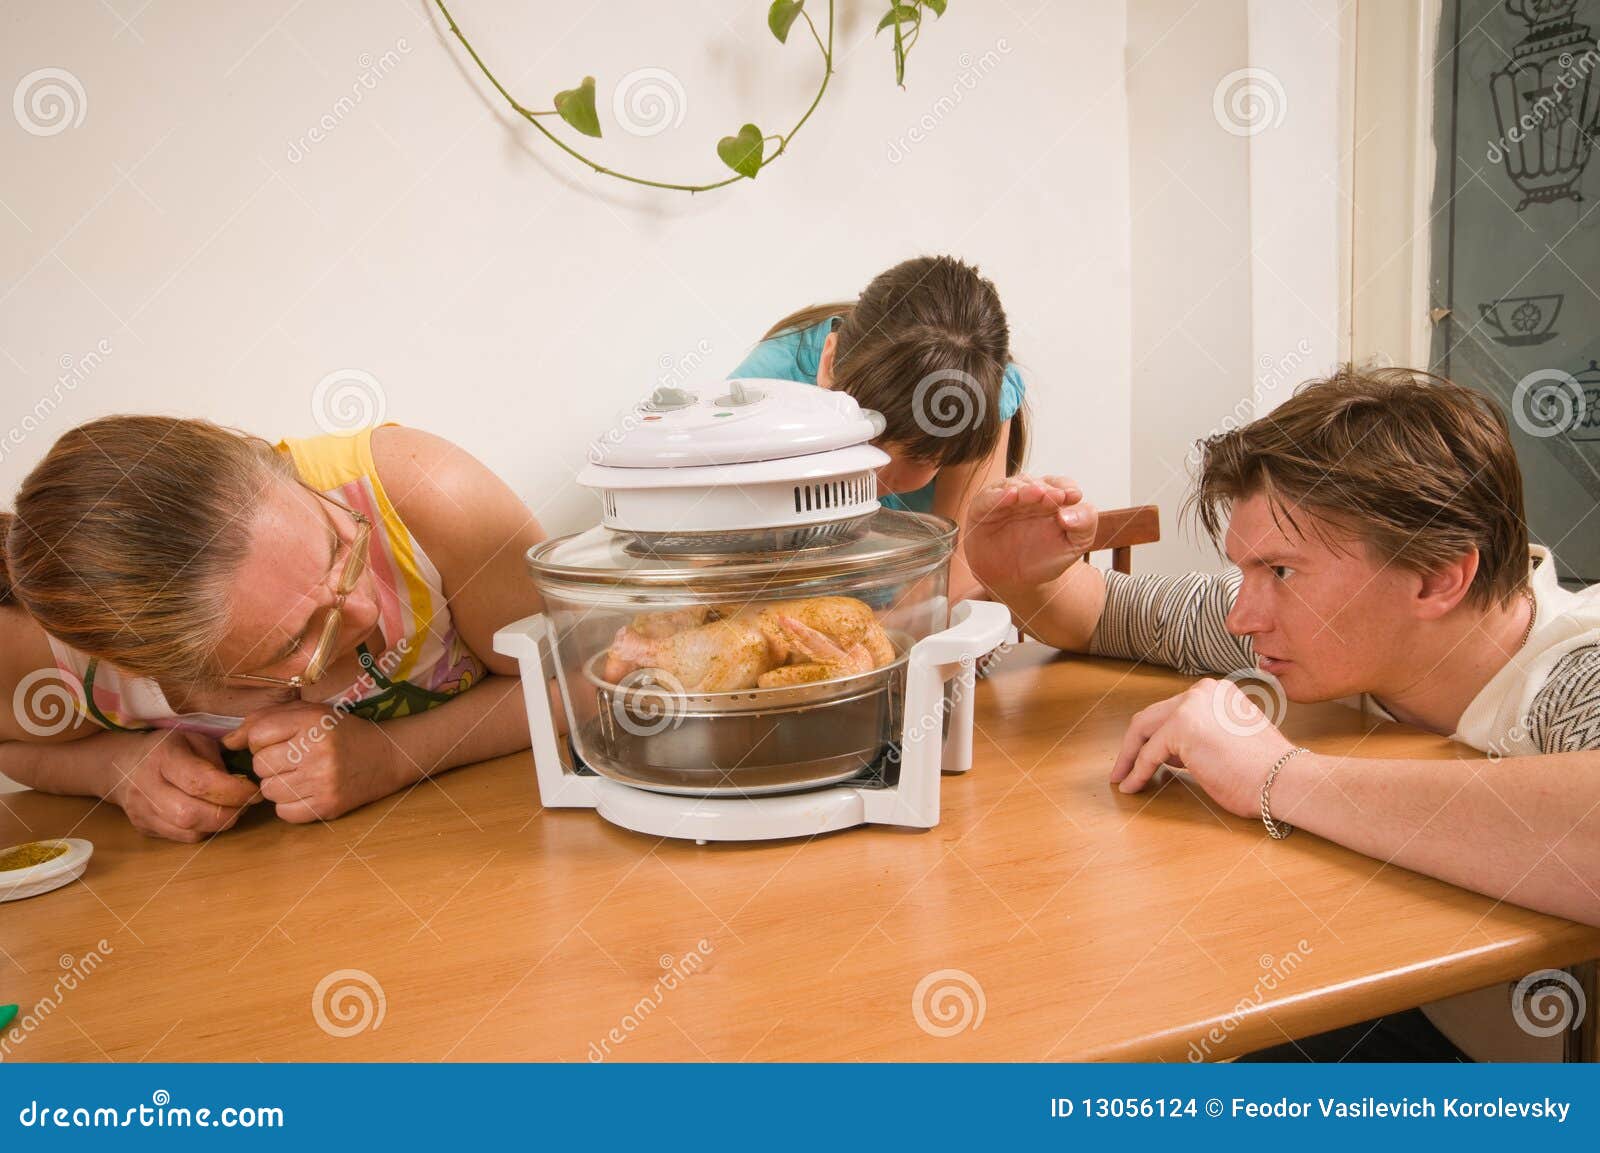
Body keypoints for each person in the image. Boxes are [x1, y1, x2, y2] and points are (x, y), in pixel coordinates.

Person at [964, 364, 1600, 1057]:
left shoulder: (1575, 670)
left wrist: (1277, 776)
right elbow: (1103, 612)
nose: (1243, 612)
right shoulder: (1323, 635)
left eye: (1282, 573)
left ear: (1439, 575)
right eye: (1246, 570)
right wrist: (1015, 573)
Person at [0, 416, 544, 842]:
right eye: (296, 640)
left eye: (337, 544)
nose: (364, 609)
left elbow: (582, 679)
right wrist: (112, 769)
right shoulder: (50, 658)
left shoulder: (421, 486)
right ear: (156, 670)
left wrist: (392, 756)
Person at [729, 255, 1028, 600]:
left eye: (919, 459)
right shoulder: (764, 389)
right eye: (871, 438)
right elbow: (718, 563)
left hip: (910, 608)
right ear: (829, 362)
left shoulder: (972, 404)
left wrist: (886, 642)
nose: (880, 474)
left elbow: (957, 580)